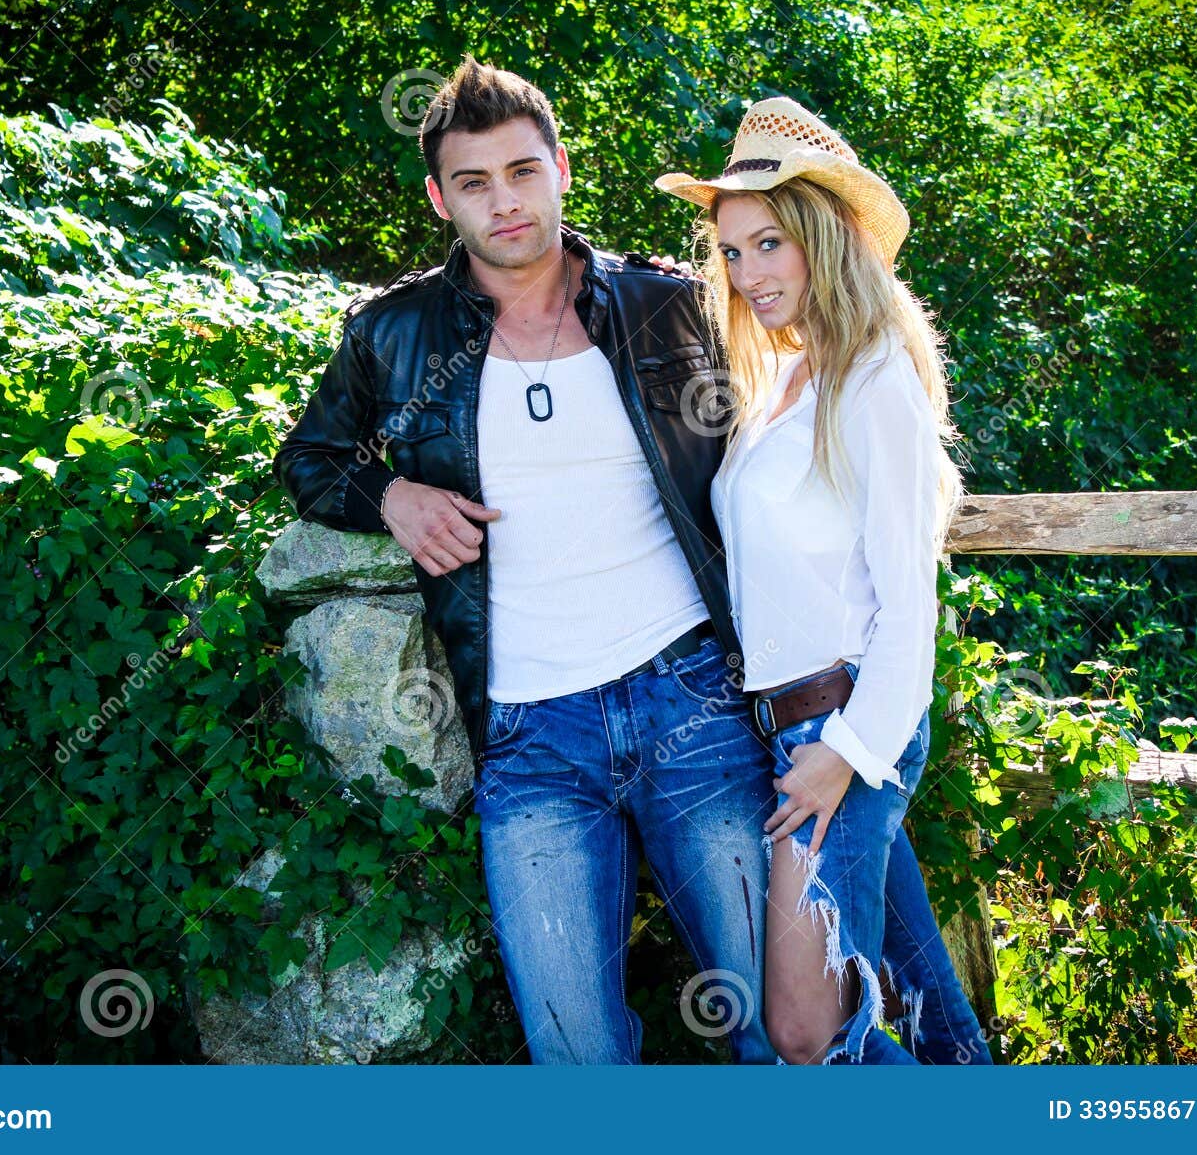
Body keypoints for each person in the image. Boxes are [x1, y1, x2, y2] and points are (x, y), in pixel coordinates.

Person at [274, 56, 781, 1064]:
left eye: (520, 172)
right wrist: (394, 493)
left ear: (559, 168)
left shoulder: (663, 306)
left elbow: (778, 432)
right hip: (529, 738)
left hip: (694, 703)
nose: (502, 202)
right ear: (438, 198)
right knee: (575, 1057)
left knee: (780, 1023)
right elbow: (307, 458)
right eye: (473, 183)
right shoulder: (393, 334)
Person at [656, 96, 993, 1065]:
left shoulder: (873, 379)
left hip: (843, 724)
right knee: (919, 997)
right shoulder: (788, 379)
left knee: (803, 1026)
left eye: (767, 243)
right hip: (788, 728)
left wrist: (843, 751)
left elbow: (907, 604)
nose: (746, 273)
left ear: (822, 233)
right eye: (730, 251)